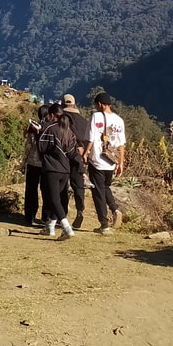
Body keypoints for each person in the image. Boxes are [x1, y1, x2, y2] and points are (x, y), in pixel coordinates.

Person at [36, 103, 77, 240]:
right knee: (57, 199)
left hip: (52, 169)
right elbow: (72, 153)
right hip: (65, 170)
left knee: (54, 200)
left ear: (52, 115)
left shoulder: (50, 129)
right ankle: (50, 227)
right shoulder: (69, 131)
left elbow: (41, 147)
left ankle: (67, 228)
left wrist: (37, 132)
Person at [88, 92, 125, 234]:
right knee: (105, 187)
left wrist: (85, 153)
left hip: (97, 160)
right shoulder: (119, 120)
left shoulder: (96, 116)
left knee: (98, 192)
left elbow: (91, 138)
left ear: (99, 104)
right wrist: (120, 163)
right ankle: (115, 209)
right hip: (111, 161)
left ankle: (104, 225)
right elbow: (121, 144)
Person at [61, 93, 91, 229]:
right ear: (74, 104)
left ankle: (62, 215)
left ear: (63, 104)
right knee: (78, 185)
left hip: (64, 156)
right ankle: (80, 210)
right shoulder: (84, 121)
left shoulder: (62, 119)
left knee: (63, 185)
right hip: (79, 157)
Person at [21, 105, 50, 226]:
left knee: (31, 190)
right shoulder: (51, 129)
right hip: (47, 164)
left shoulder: (32, 128)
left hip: (32, 163)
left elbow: (28, 146)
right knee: (47, 190)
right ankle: (46, 217)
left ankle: (30, 216)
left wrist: (23, 163)